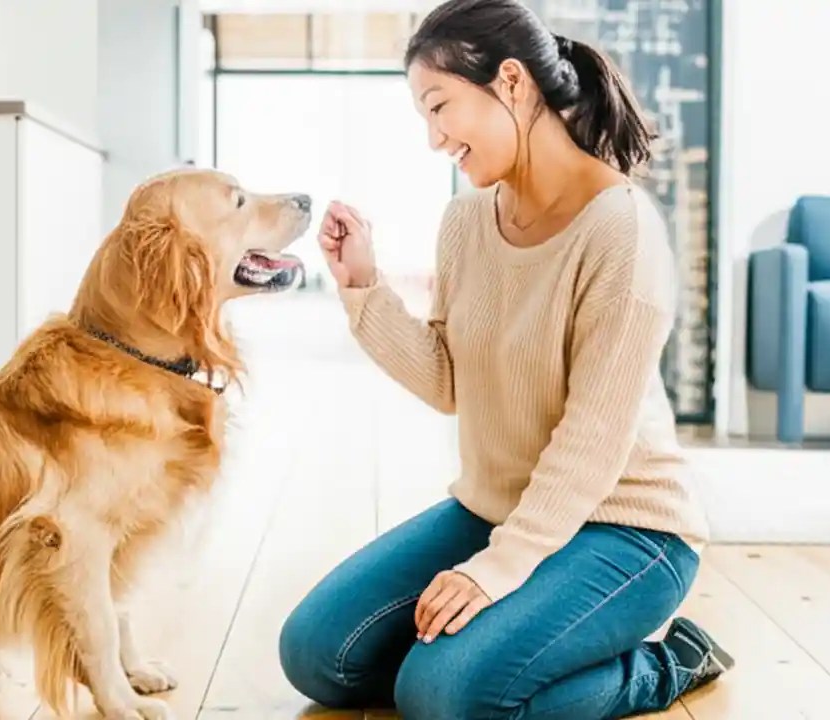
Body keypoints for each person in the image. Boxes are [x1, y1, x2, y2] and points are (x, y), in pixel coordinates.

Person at [277, 0, 734, 718]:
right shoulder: (465, 220)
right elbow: (449, 382)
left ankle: (662, 664)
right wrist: (362, 285)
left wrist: (498, 569)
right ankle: (482, 659)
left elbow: (595, 437)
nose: (434, 139)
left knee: (443, 695)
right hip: (496, 510)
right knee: (317, 654)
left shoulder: (622, 229)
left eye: (439, 107)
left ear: (513, 83)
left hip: (627, 529)